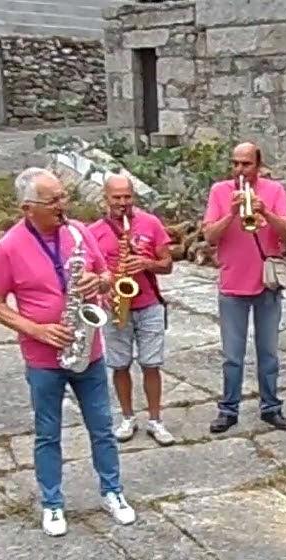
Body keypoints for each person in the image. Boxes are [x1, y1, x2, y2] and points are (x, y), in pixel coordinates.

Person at [0, 167, 136, 536]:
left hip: (89, 349)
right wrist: (35, 329)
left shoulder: (78, 232)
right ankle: (52, 503)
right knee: (48, 433)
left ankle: (112, 492)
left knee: (102, 428)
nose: (62, 205)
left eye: (63, 197)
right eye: (53, 201)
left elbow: (107, 275)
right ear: (27, 208)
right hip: (43, 358)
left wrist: (98, 280)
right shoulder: (8, 247)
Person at [202, 141, 286, 434]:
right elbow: (209, 237)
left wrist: (264, 212)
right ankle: (229, 409)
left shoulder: (274, 191)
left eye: (246, 164)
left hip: (266, 284)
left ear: (258, 165)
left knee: (268, 353)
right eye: (236, 164)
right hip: (232, 284)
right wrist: (230, 214)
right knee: (232, 356)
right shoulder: (219, 191)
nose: (240, 169)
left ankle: (271, 407)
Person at [86, 174, 177, 446]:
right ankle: (127, 418)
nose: (123, 203)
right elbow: (88, 274)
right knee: (119, 365)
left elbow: (168, 264)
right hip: (115, 306)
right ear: (106, 198)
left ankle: (156, 420)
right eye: (117, 198)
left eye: (127, 197)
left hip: (148, 303)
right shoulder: (93, 232)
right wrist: (106, 286)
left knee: (152, 364)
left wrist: (147, 263)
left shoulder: (150, 223)